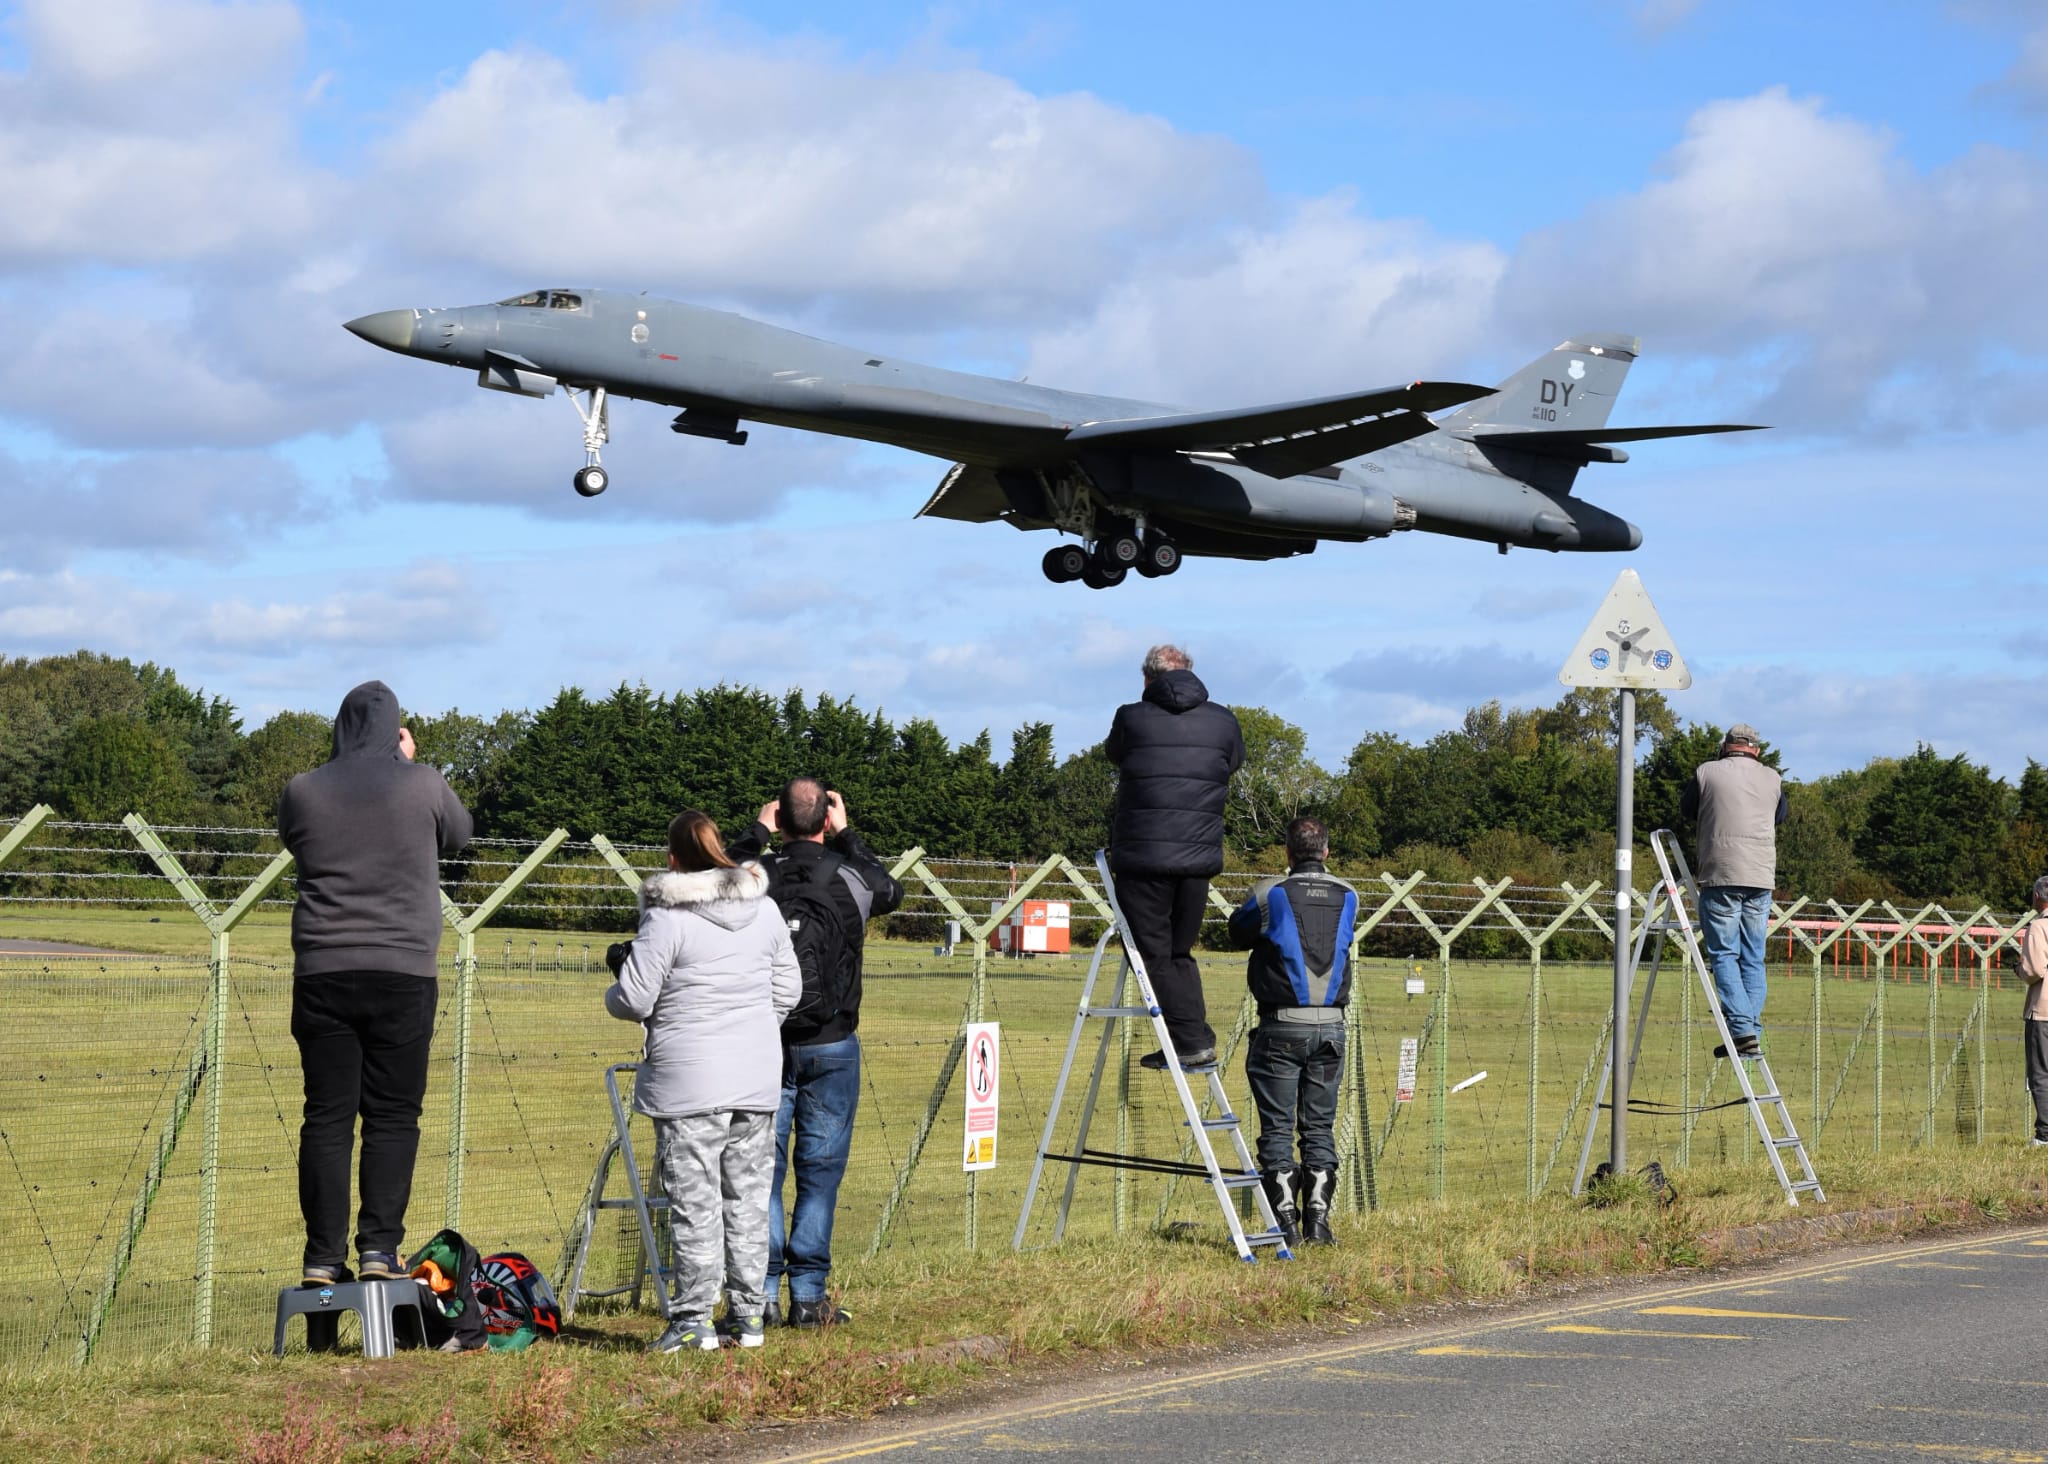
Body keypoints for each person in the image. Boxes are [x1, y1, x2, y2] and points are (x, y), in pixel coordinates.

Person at [277, 681, 472, 1286]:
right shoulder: (423, 784)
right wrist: (408, 766)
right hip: (403, 969)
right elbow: (460, 835)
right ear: (396, 730)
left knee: (327, 1116)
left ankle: (321, 1256)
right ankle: (379, 1250)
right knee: (392, 1116)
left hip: (323, 968)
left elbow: (294, 839)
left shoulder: (303, 790)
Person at [605, 810, 799, 1352]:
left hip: (690, 1082)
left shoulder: (667, 917)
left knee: (695, 1202)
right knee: (748, 1198)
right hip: (757, 1076)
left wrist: (614, 988)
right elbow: (789, 989)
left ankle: (693, 1318)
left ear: (672, 861)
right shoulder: (765, 911)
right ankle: (749, 1316)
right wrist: (754, 1029)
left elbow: (636, 998)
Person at [728, 777, 904, 1326]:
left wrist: (757, 832)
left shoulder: (757, 877)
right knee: (820, 1173)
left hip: (766, 1041)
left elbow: (706, 878)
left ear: (780, 819)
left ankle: (759, 1296)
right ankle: (808, 1297)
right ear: (826, 819)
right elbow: (891, 889)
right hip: (832, 1041)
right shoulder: (851, 878)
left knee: (762, 1171)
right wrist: (848, 835)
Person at [1105, 644, 1245, 1070]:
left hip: (1143, 855)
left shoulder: (1131, 716)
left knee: (1150, 953)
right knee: (1179, 950)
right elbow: (1233, 762)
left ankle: (1188, 1040)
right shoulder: (1223, 720)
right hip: (1198, 857)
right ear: (1190, 673)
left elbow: (1115, 755)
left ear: (1148, 679)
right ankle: (1195, 1034)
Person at [1228, 816, 1357, 1247]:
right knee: (1319, 1127)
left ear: (1287, 852)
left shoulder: (1270, 894)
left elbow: (1237, 931)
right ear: (1326, 851)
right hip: (1332, 1029)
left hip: (1281, 1027)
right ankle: (1318, 1224)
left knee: (1278, 1129)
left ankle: (1284, 1223)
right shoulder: (1349, 895)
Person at [1680, 722, 1787, 1059]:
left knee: (1724, 953)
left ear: (1726, 746)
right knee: (1753, 956)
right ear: (1756, 749)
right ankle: (1748, 1031)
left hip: (1721, 872)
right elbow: (1780, 816)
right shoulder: (1773, 778)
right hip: (1760, 876)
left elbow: (1687, 810)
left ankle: (1741, 1029)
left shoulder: (1706, 772)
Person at [2012, 875, 2048, 1149]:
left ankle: (2045, 1134)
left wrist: (2019, 969)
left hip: (2043, 1009)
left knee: (2041, 1072)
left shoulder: (2038, 926)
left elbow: (2035, 969)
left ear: (2037, 897)